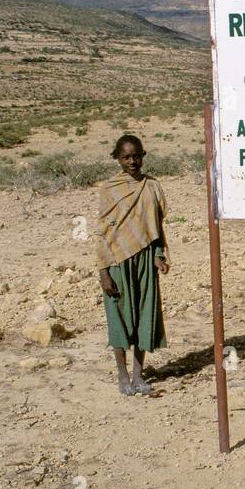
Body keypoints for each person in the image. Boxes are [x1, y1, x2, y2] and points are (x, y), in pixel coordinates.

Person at [96, 134, 170, 395]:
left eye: (136, 155)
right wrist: (104, 272)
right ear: (117, 158)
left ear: (143, 155)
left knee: (143, 316)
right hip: (117, 261)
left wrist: (159, 254)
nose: (132, 161)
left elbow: (157, 226)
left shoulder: (152, 187)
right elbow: (102, 232)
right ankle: (122, 375)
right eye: (126, 156)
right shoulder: (109, 189)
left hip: (145, 260)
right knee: (119, 319)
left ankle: (139, 376)